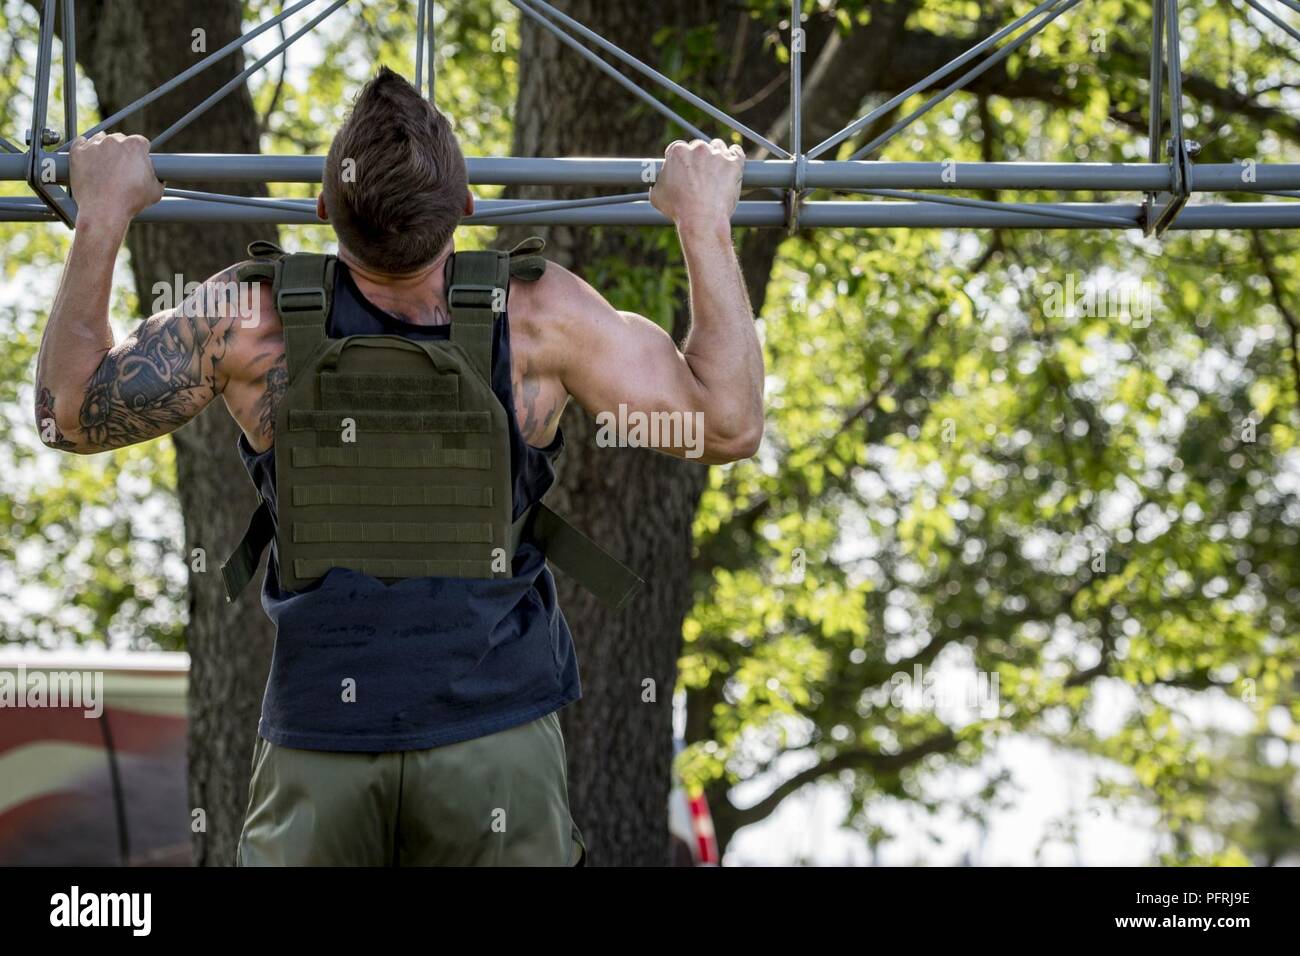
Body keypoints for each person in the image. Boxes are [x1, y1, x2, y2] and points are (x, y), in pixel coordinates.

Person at [33, 67, 765, 866]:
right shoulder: (543, 317)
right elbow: (728, 426)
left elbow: (63, 415)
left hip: (321, 744)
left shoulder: (246, 322)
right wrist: (704, 221)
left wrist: (101, 211)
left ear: (322, 208)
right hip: (495, 744)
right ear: (467, 206)